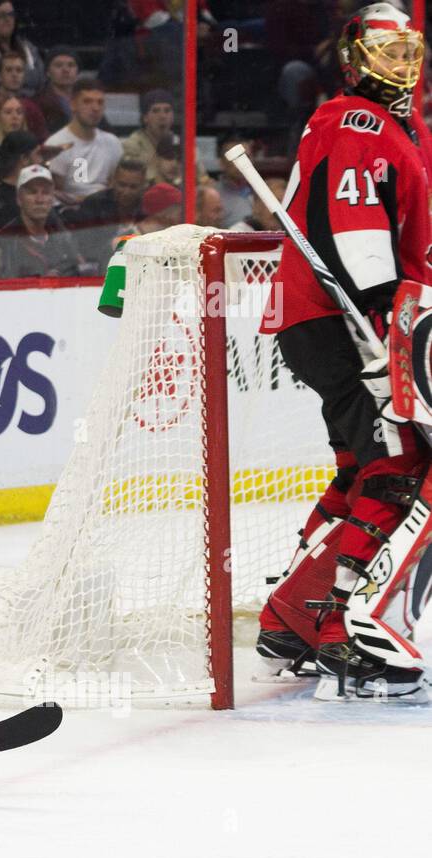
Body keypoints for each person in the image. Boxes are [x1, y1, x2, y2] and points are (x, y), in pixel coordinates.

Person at [256, 3, 432, 699]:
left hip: (329, 317)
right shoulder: (359, 122)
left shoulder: (390, 127)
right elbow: (357, 230)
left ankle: (293, 618)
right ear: (356, 59)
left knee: (366, 463)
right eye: (388, 52)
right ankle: (345, 627)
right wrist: (389, 317)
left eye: (410, 50)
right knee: (400, 462)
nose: (403, 64)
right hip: (346, 318)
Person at [0, 164, 86, 279]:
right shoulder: (5, 240)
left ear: (52, 199)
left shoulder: (63, 238)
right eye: (32, 192)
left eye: (46, 192)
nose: (39, 199)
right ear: (19, 198)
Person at [44, 78, 123, 204]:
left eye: (100, 102)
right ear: (73, 104)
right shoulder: (56, 144)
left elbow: (115, 184)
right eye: (87, 101)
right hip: (71, 213)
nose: (95, 108)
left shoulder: (113, 142)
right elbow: (54, 192)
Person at [61, 158, 147, 270]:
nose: (127, 191)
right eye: (122, 185)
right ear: (113, 181)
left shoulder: (149, 207)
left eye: (133, 187)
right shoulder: (93, 204)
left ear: (143, 186)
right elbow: (84, 247)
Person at [120, 89, 178, 184]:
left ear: (173, 116)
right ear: (145, 118)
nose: (163, 116)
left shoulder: (180, 143)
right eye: (156, 111)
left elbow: (202, 179)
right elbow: (132, 185)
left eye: (167, 111)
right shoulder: (132, 146)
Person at [34, 47, 79, 135]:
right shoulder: (38, 103)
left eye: (71, 65)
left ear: (77, 72)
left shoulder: (88, 100)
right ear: (48, 72)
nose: (66, 70)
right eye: (58, 65)